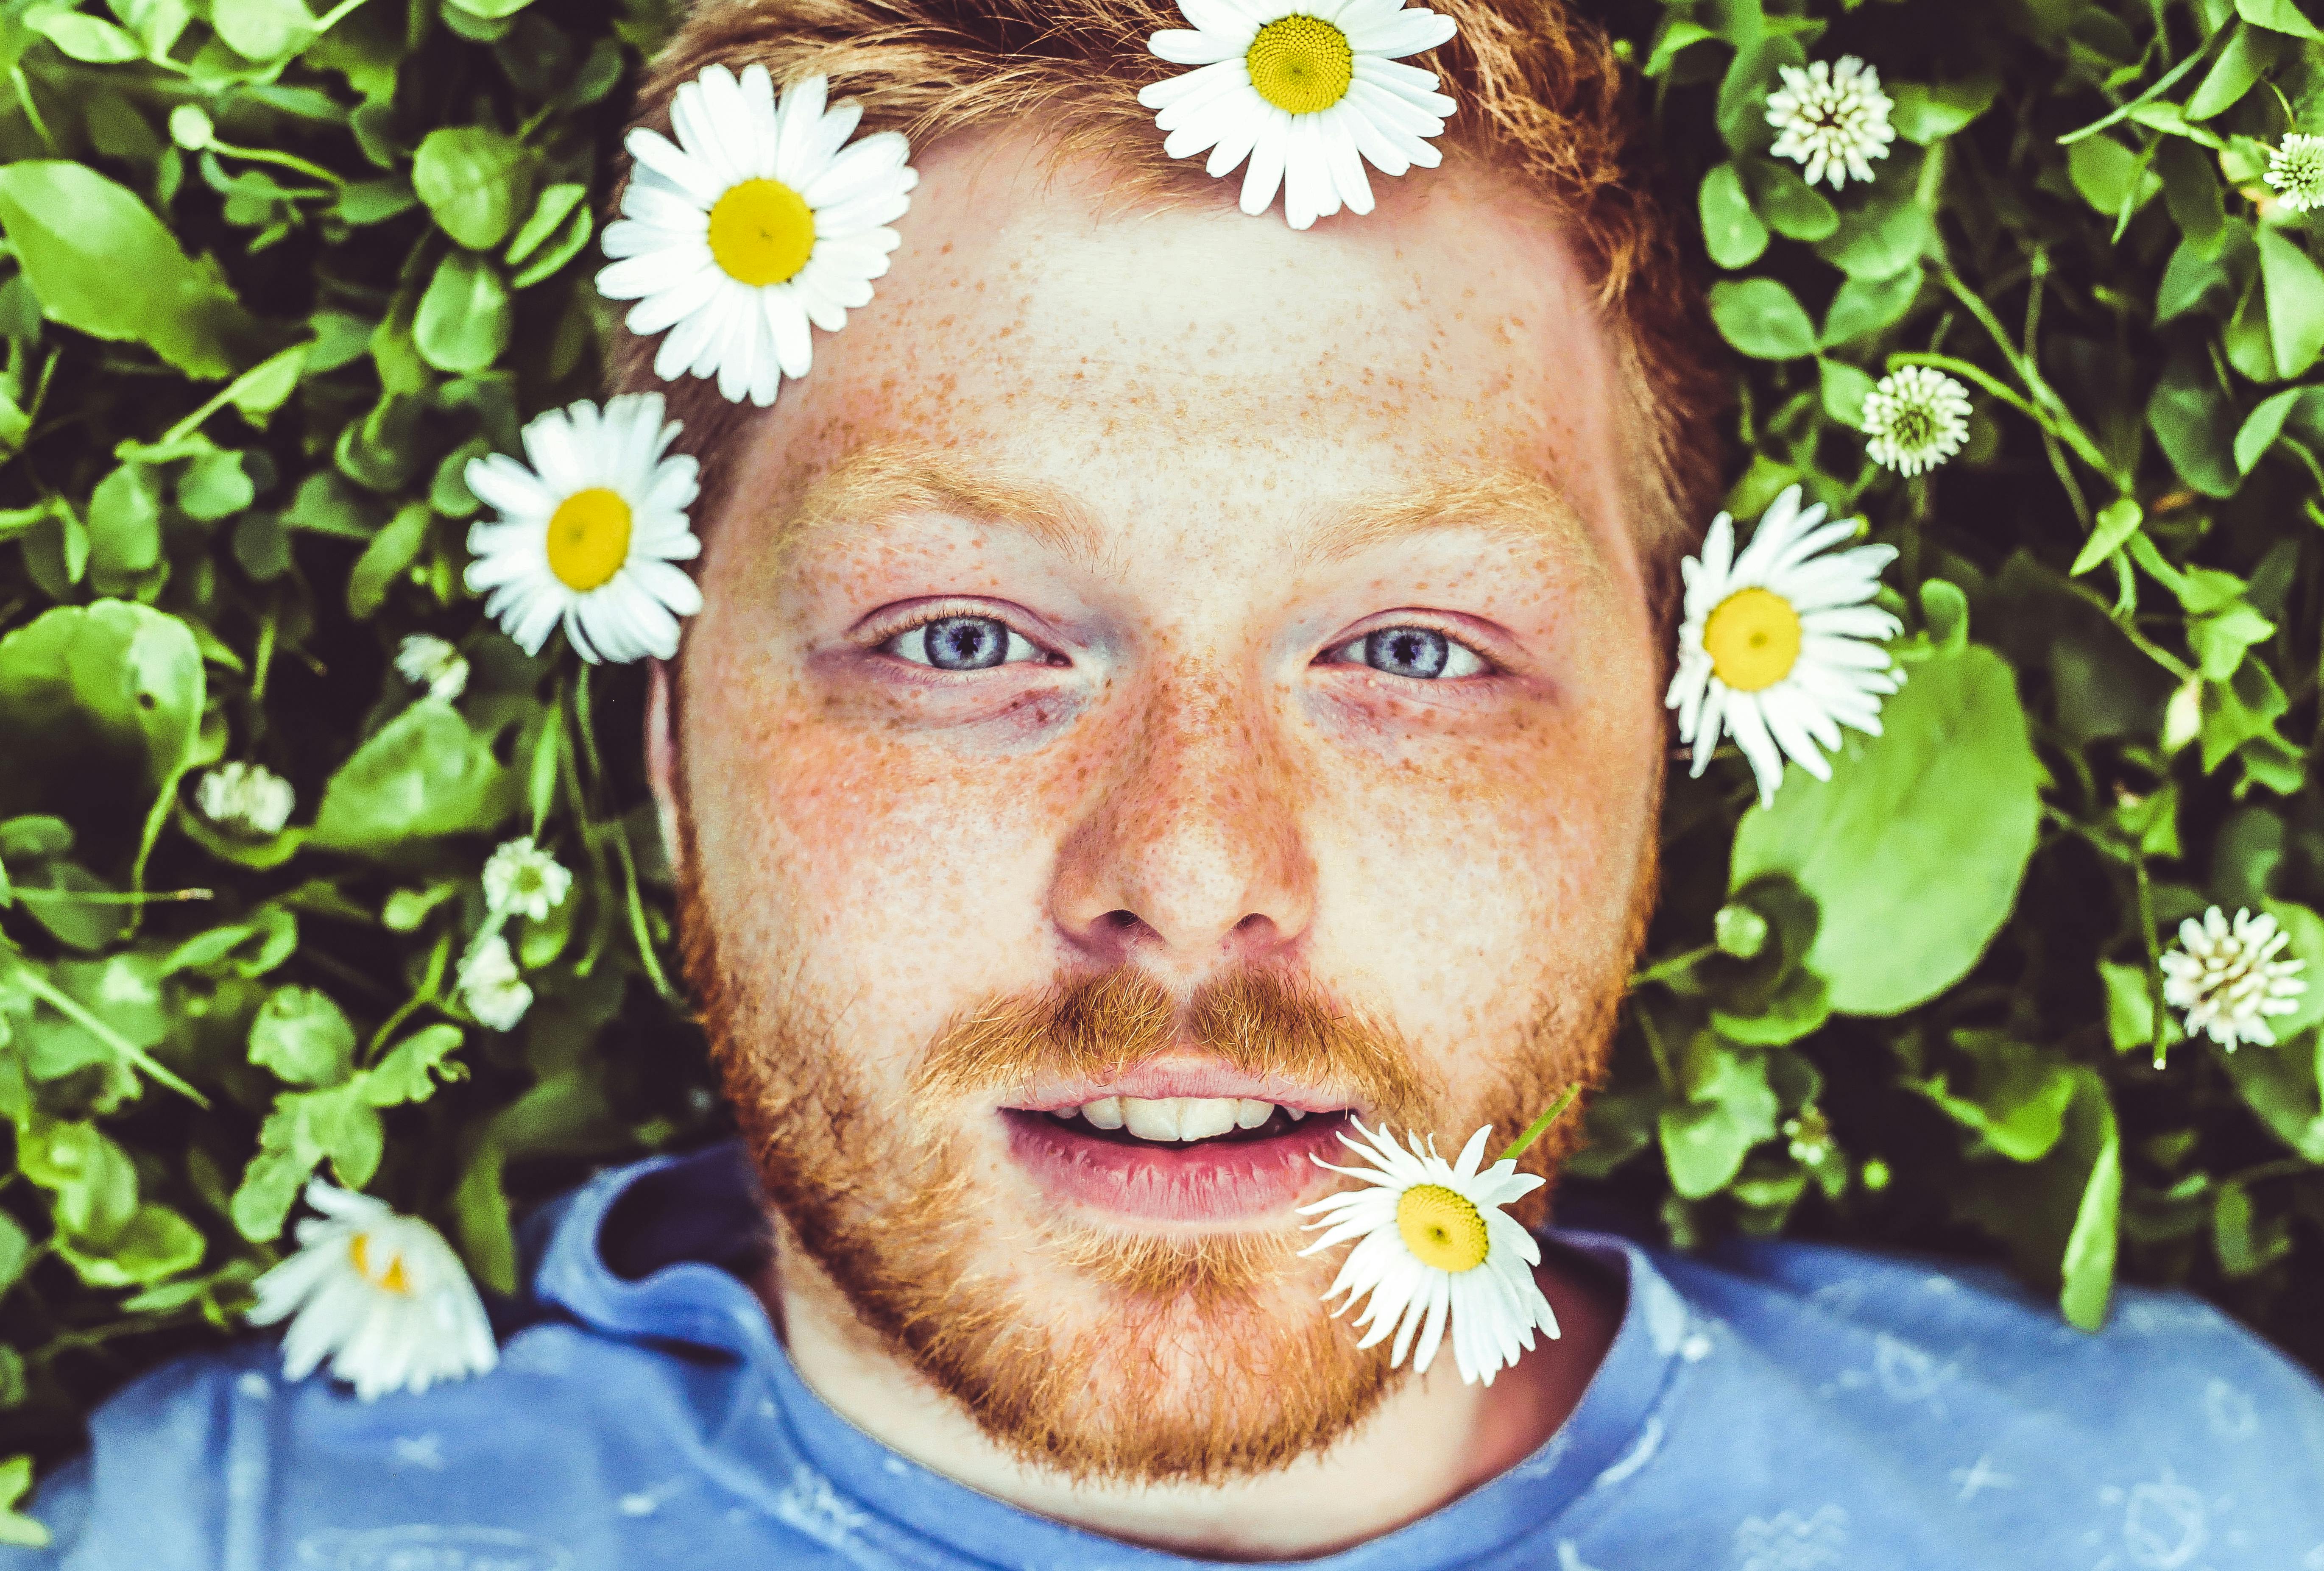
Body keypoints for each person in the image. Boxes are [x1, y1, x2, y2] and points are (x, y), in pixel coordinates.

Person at [11, 1, 2324, 1566]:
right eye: (961, 640)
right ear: (668, 753)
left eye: (1414, 649)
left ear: (1669, 741)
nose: (1196, 868)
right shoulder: (202, 1546)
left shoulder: (2194, 1511)